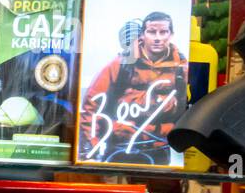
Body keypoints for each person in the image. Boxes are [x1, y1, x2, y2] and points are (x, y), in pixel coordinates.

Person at [79, 11, 188, 165]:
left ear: (171, 35)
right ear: (142, 34)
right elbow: (91, 105)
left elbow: (191, 109)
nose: (157, 38)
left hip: (159, 149)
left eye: (163, 32)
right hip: (118, 146)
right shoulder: (122, 64)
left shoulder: (181, 68)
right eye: (151, 32)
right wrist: (91, 146)